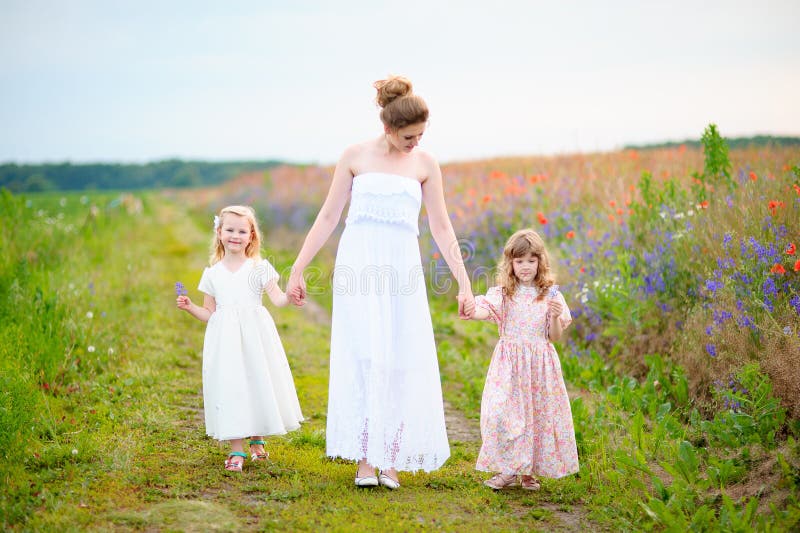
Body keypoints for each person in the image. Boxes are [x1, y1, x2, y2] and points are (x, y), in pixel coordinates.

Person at [285, 75, 475, 489]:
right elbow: (328, 216)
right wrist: (298, 268)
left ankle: (391, 458)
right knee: (365, 357)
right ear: (388, 128)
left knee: (400, 360)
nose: (416, 143)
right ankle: (365, 459)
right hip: (360, 268)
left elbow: (442, 227)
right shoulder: (354, 156)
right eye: (409, 136)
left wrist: (464, 282)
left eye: (422, 135)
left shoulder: (426, 165)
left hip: (401, 271)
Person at [176, 205, 304, 472]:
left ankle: (257, 440)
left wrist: (289, 297)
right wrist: (191, 307)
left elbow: (277, 299)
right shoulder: (212, 273)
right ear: (219, 233)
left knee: (256, 380)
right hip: (225, 340)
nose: (235, 235)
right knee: (231, 386)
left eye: (242, 231)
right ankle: (237, 450)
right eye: (230, 230)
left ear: (251, 236)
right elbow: (210, 313)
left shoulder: (259, 268)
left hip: (256, 336)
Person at [466, 229, 578, 490]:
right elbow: (485, 310)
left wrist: (553, 315)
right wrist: (472, 309)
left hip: (540, 365)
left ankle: (528, 472)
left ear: (540, 262)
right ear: (510, 264)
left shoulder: (551, 295)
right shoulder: (504, 292)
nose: (525, 267)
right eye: (519, 261)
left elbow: (555, 336)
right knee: (501, 413)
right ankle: (508, 469)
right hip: (509, 365)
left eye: (531, 260)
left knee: (536, 417)